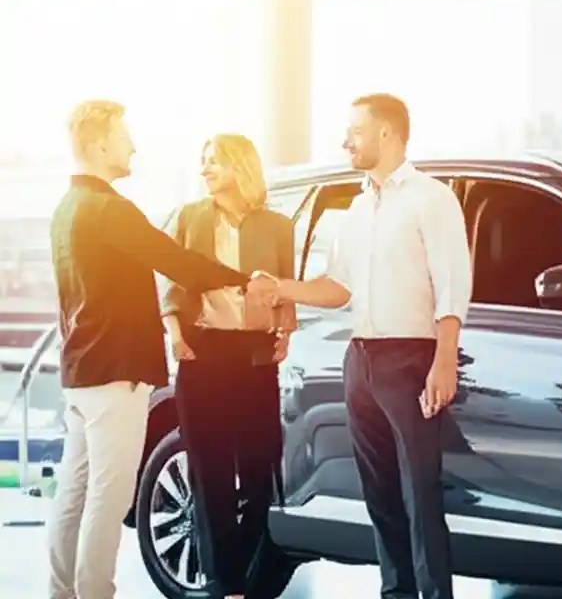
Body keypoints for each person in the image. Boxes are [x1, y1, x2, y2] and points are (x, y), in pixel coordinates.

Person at [47, 100, 271, 599]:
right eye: (124, 137)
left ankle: (61, 592)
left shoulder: (67, 207)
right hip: (115, 373)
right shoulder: (109, 209)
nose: (132, 146)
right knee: (109, 495)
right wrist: (245, 281)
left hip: (81, 372)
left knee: (74, 493)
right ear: (100, 144)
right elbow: (177, 263)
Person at [257, 94, 471, 599]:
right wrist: (283, 288)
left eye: (355, 130)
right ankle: (395, 591)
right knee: (379, 494)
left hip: (412, 359)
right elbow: (339, 287)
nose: (344, 140)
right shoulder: (357, 207)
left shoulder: (431, 198)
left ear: (387, 134)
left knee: (420, 492)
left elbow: (452, 285)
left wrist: (444, 361)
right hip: (361, 361)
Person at [158, 134, 295, 599]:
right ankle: (225, 585)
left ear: (240, 166)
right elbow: (173, 281)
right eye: (203, 162)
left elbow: (285, 285)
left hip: (256, 357)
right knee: (209, 472)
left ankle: (252, 580)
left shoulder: (278, 225)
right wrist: (175, 334)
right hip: (203, 354)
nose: (204, 170)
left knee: (260, 470)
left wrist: (285, 331)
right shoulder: (190, 218)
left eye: (213, 161)